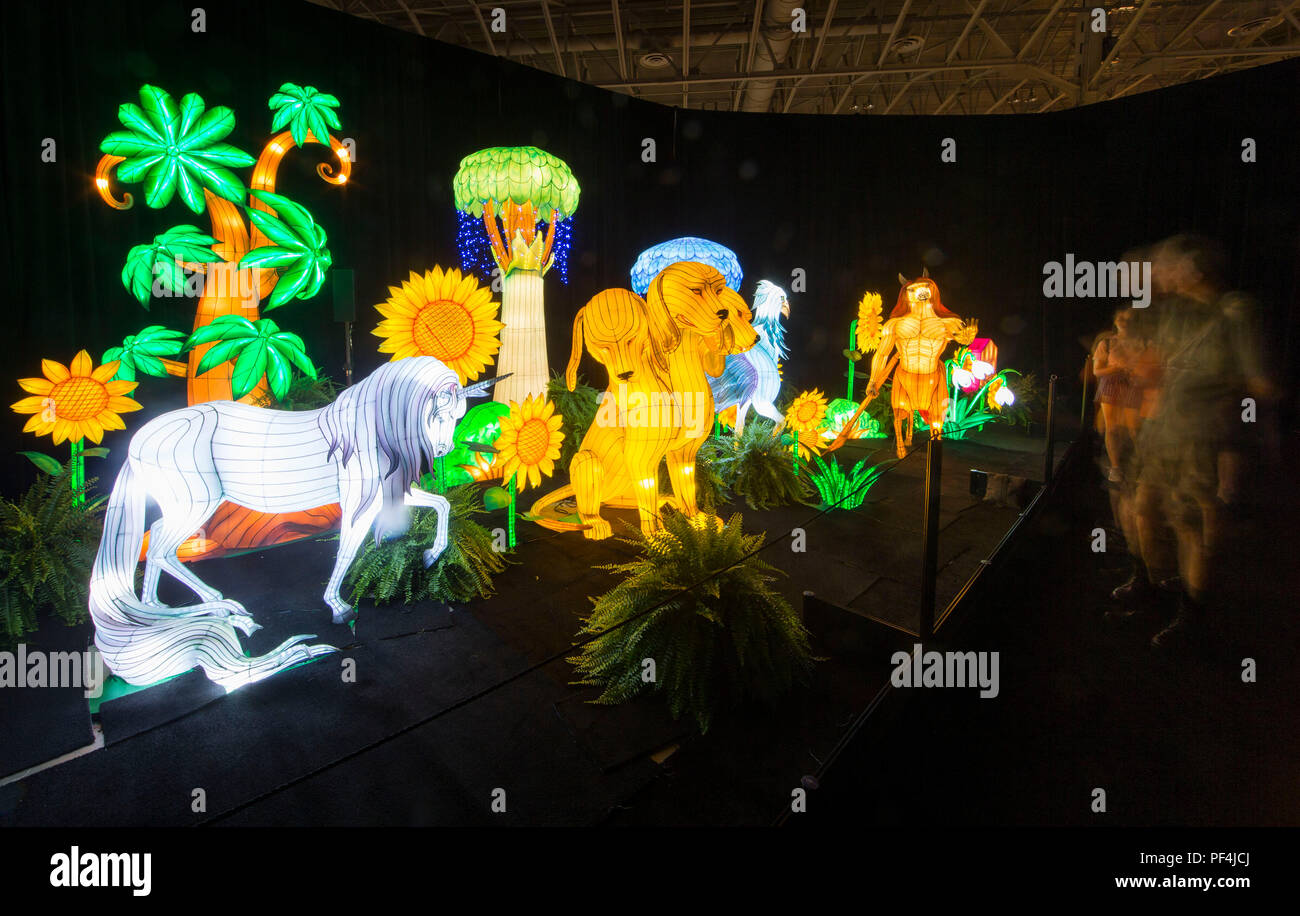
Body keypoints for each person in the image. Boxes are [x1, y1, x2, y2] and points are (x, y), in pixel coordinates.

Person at [1115, 234, 1273, 649]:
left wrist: (1227, 409)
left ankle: (1192, 615)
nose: (1160, 270)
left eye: (1169, 264)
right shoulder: (1178, 315)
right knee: (1143, 509)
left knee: (1188, 525)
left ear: (1194, 269)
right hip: (1162, 432)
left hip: (1198, 437)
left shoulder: (1234, 311)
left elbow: (1261, 382)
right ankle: (1148, 585)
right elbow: (1158, 370)